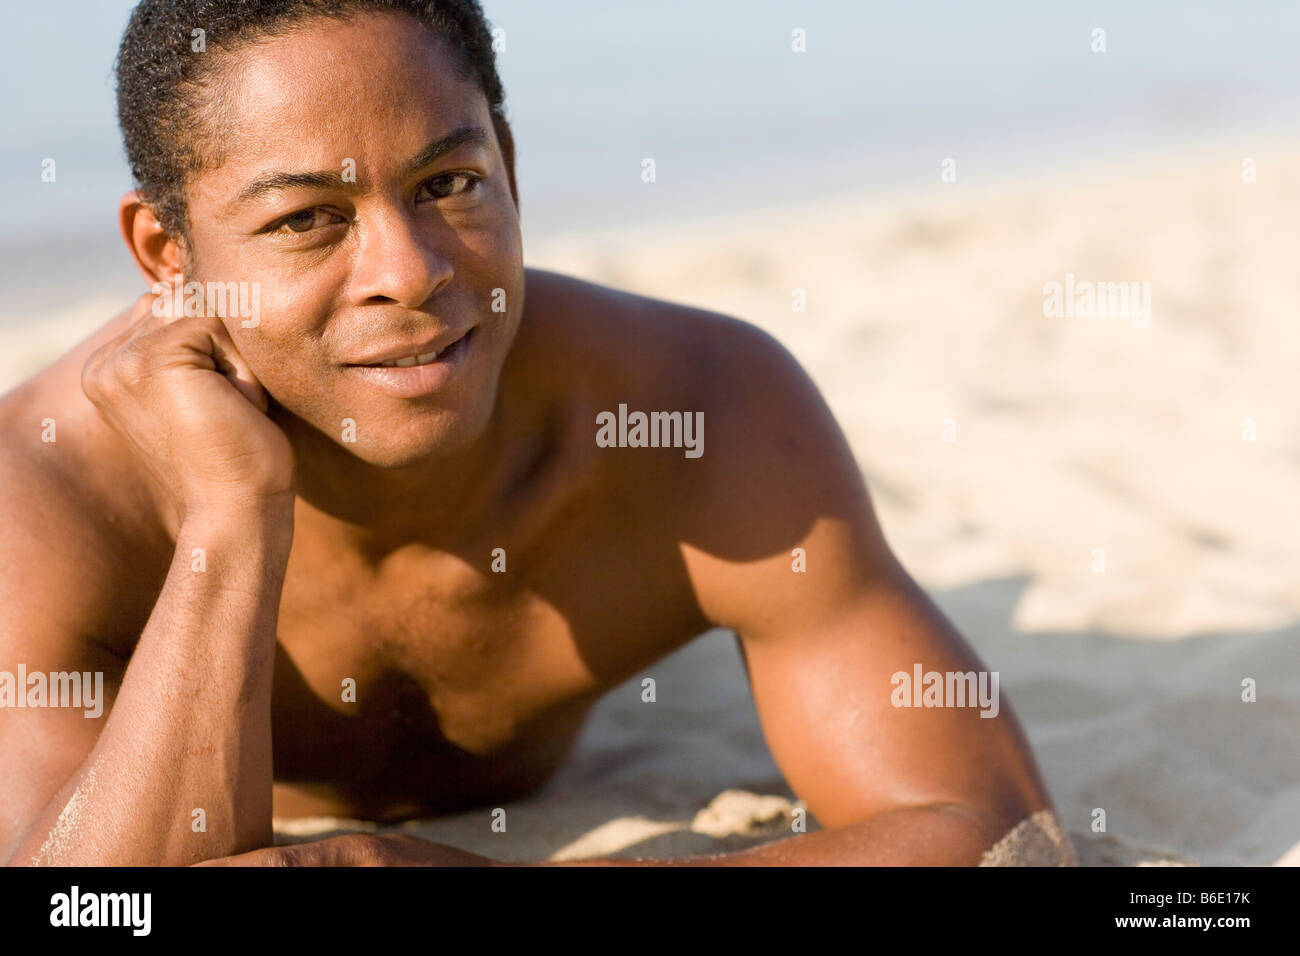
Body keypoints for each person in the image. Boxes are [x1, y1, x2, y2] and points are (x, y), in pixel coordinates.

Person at [0, 0, 1069, 866]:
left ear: (507, 163)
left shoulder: (702, 408)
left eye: (448, 184)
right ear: (164, 252)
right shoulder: (48, 489)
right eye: (303, 220)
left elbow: (991, 838)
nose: (410, 270)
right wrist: (231, 519)